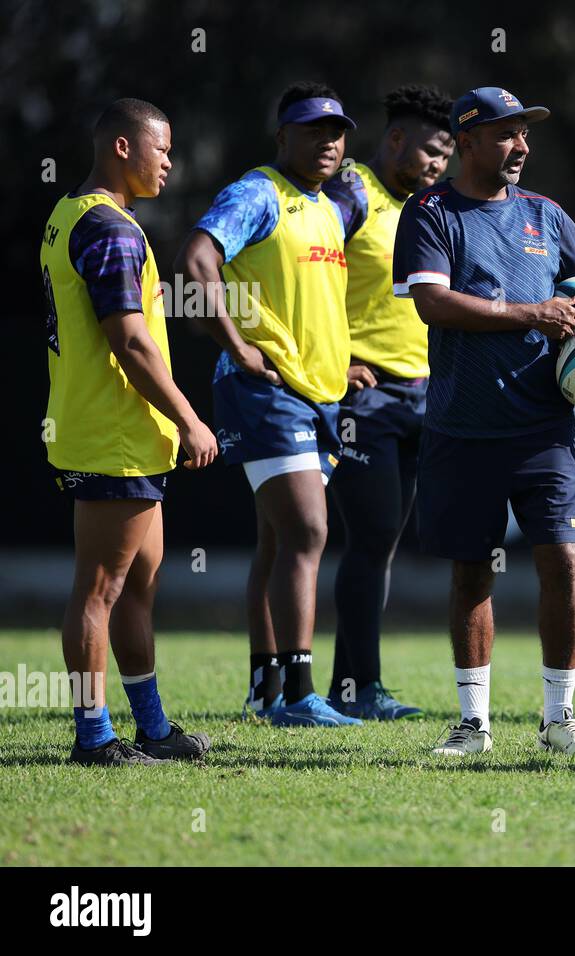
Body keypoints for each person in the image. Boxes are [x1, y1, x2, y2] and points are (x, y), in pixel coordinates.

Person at [392, 87, 575, 757]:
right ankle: (473, 724)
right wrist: (532, 313)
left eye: (526, 134)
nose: (523, 146)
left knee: (562, 562)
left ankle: (560, 719)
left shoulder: (547, 214)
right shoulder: (430, 212)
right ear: (468, 139)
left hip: (545, 431)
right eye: (508, 133)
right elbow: (432, 303)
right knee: (472, 573)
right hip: (462, 428)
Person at [176, 82, 359, 727]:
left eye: (337, 131)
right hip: (263, 390)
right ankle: (302, 694)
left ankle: (266, 688)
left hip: (318, 391)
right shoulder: (258, 192)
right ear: (283, 136)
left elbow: (312, 302)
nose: (328, 141)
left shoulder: (329, 210)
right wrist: (238, 344)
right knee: (309, 529)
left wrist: (345, 362)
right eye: (313, 130)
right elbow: (196, 261)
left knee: (277, 542)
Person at [42, 98, 218, 764]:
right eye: (162, 149)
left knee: (138, 586)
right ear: (122, 148)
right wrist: (191, 418)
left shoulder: (69, 216)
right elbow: (130, 342)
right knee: (99, 590)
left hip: (126, 436)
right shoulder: (111, 229)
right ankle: (93, 738)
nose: (170, 162)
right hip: (113, 435)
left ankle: (153, 729)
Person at [321, 84, 455, 720]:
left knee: (382, 544)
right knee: (369, 536)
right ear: (394, 139)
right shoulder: (351, 193)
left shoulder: (431, 209)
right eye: (430, 150)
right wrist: (337, 359)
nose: (438, 165)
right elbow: (307, 276)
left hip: (423, 398)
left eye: (447, 156)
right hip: (363, 400)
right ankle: (356, 690)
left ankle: (354, 687)